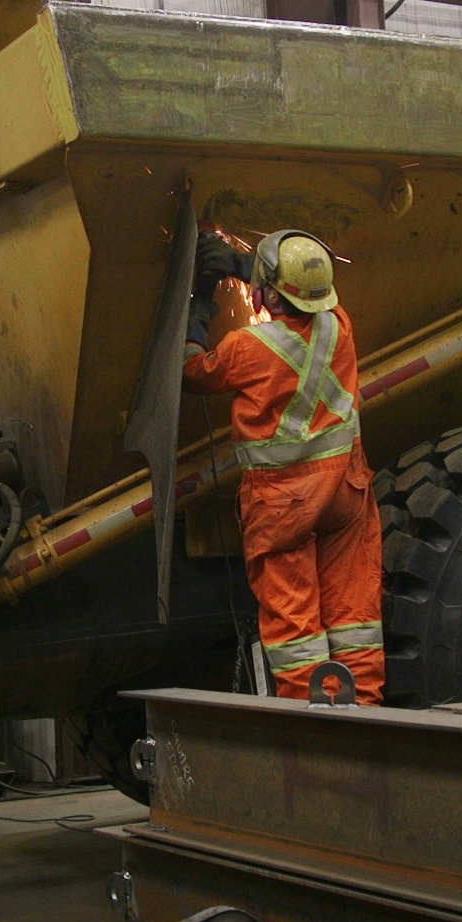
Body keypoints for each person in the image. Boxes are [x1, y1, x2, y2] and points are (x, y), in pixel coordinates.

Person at [182, 228, 385, 704]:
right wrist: (243, 265)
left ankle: (312, 718)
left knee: (296, 626)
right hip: (346, 494)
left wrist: (199, 307)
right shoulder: (342, 326)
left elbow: (193, 373)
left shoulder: (244, 348)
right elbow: (304, 287)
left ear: (269, 293)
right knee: (355, 616)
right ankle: (366, 714)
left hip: (285, 504)